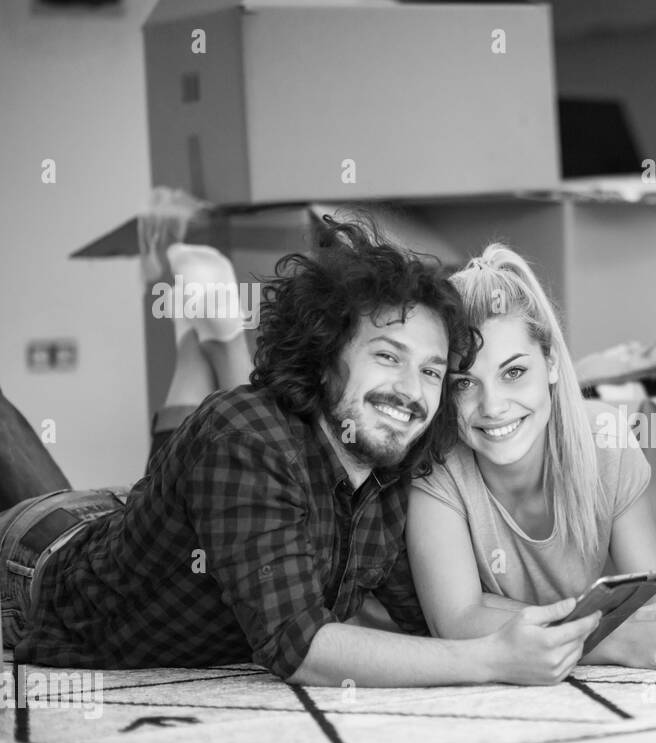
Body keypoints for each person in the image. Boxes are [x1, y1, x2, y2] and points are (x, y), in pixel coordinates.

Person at [0, 220, 600, 687]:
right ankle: (210, 339)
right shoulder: (245, 437)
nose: (412, 392)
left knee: (172, 489)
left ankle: (200, 344)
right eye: (387, 356)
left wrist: (580, 628)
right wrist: (492, 661)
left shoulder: (391, 461)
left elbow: (435, 614)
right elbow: (301, 647)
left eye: (433, 371)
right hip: (41, 558)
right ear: (325, 353)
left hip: (161, 519)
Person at [406, 243, 656, 668]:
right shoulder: (437, 466)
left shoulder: (605, 437)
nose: (493, 406)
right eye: (465, 383)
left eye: (514, 372)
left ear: (553, 363)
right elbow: (458, 618)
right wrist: (608, 638)